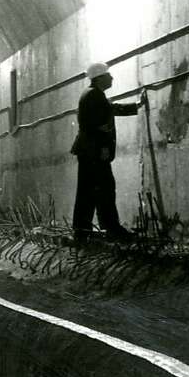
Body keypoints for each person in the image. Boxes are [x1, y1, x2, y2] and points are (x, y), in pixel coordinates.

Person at [70, 62, 146, 243]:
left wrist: (136, 105)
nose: (112, 78)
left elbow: (109, 110)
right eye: (108, 75)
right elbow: (99, 127)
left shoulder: (92, 95)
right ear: (100, 78)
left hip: (88, 151)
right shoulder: (94, 96)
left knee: (87, 191)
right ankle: (113, 229)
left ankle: (82, 230)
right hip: (95, 152)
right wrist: (103, 149)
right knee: (105, 190)